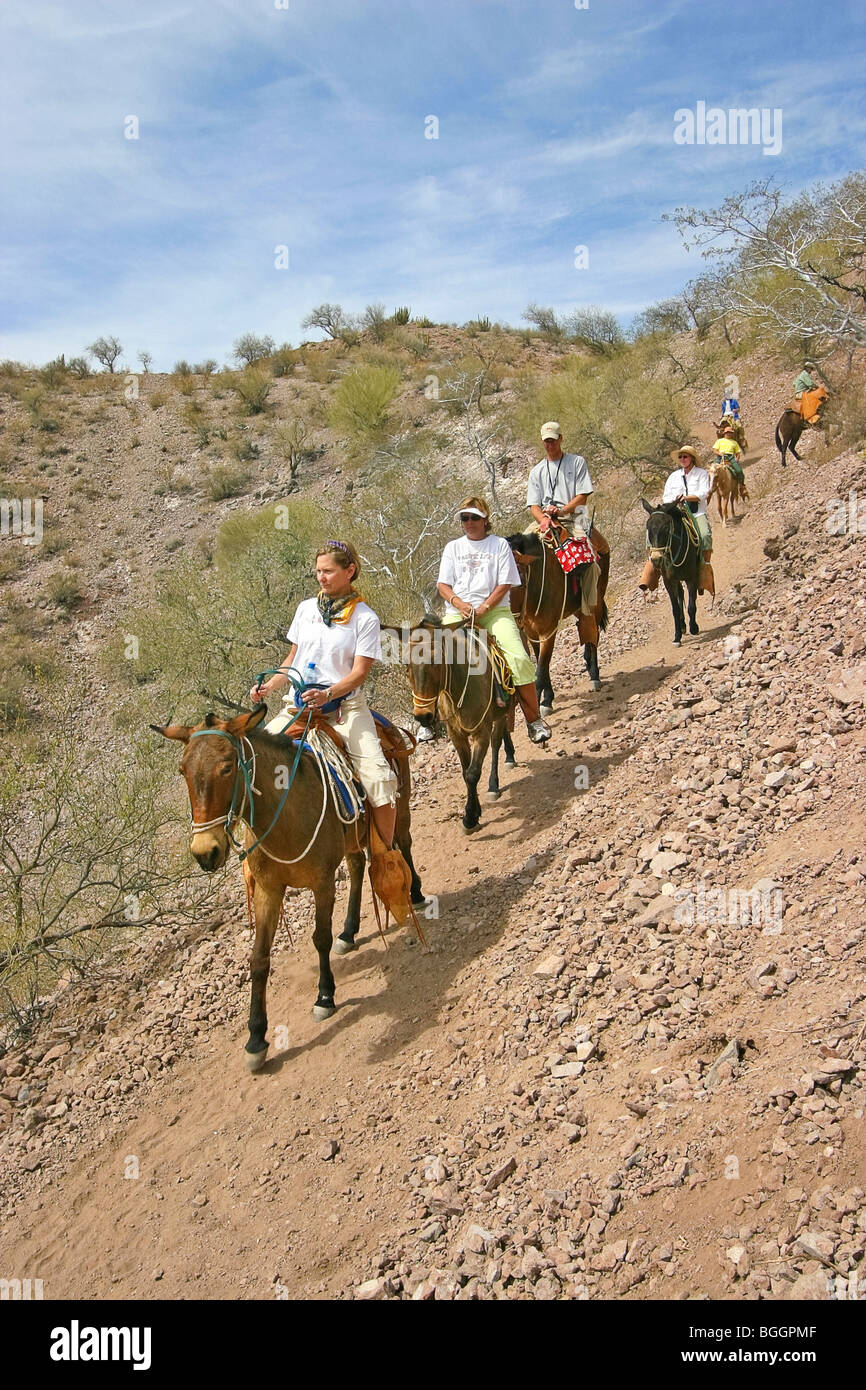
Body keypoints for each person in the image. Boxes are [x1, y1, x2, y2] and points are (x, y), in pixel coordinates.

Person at [249, 540, 400, 849]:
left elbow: (359, 673)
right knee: (252, 765)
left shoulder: (365, 618)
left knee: (378, 778)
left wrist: (328, 692)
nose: (321, 577)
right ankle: (257, 855)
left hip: (344, 710)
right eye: (318, 571)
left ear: (350, 571)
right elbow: (292, 660)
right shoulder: (305, 609)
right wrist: (269, 686)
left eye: (328, 571)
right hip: (297, 708)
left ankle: (386, 852)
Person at [437, 497, 551, 744]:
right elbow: (443, 585)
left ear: (485, 519)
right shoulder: (452, 548)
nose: (469, 522)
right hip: (458, 613)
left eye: (474, 517)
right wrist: (459, 604)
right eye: (464, 518)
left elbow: (505, 582)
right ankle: (430, 720)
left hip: (494, 613)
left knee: (519, 659)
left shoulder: (498, 545)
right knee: (430, 658)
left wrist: (485, 607)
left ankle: (533, 721)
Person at [639, 446, 714, 598]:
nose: (683, 459)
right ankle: (652, 569)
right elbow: (666, 496)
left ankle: (704, 569)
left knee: (705, 536)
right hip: (674, 510)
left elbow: (705, 492)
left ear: (692, 458)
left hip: (695, 511)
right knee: (655, 530)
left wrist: (687, 498)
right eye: (680, 457)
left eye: (685, 456)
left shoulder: (701, 473)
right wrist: (673, 503)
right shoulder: (674, 476)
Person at [526, 422, 610, 558]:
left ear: (560, 439)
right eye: (547, 441)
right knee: (519, 553)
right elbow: (533, 505)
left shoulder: (577, 462)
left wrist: (561, 511)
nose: (550, 444)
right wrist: (543, 519)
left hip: (574, 517)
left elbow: (582, 497)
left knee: (589, 557)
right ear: (542, 441)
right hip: (545, 520)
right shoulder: (536, 471)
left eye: (553, 440)